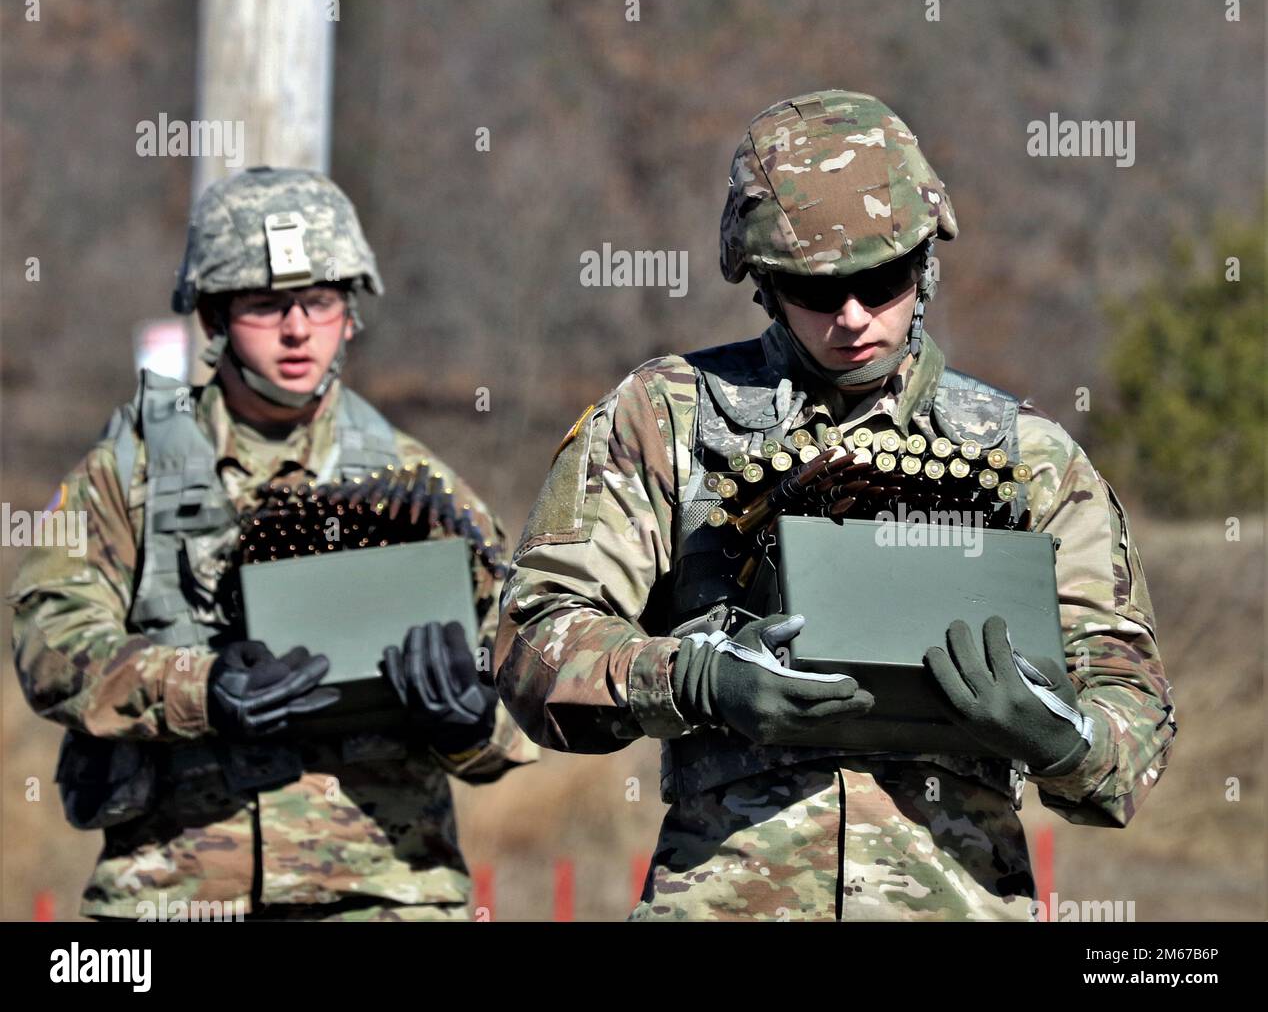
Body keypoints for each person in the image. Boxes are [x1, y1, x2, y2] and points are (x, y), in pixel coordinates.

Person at [495, 90, 1176, 922]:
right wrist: (697, 678)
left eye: (879, 281)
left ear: (925, 265)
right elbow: (535, 638)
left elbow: (1130, 714)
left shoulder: (1028, 458)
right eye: (816, 292)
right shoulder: (664, 418)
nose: (852, 318)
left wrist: (1058, 734)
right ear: (764, 285)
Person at [10, 166, 536, 921]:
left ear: (350, 315)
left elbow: (528, 680)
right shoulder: (133, 472)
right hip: (175, 890)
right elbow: (48, 637)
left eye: (319, 301)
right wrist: (200, 688)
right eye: (265, 306)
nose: (297, 330)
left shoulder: (419, 488)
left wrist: (468, 719)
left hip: (384, 889)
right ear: (216, 319)